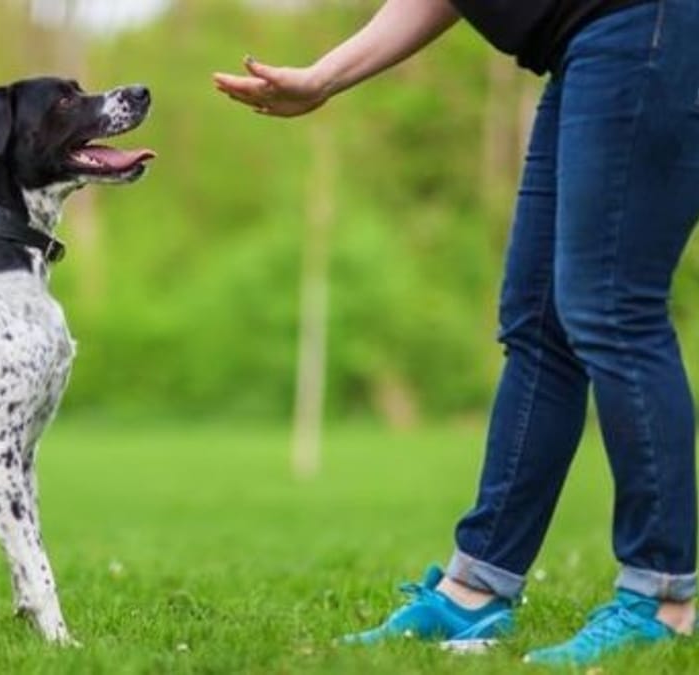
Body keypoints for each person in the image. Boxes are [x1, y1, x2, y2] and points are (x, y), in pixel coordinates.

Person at [215, 0, 699, 666]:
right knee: (538, 325)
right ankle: (477, 588)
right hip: (587, 47)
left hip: (643, 26)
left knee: (613, 306)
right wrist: (325, 75)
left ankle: (662, 596)